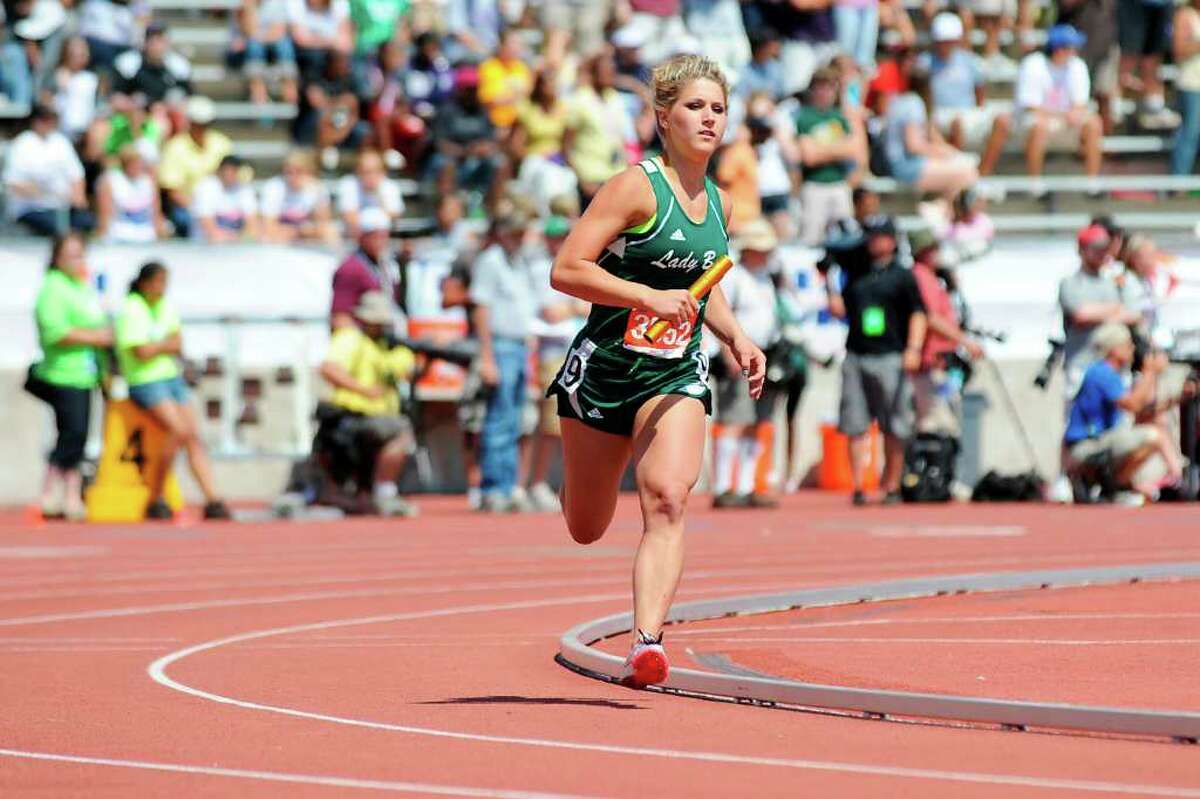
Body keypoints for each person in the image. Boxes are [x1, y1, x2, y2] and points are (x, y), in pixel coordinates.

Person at [548, 54, 766, 687]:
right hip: (605, 371)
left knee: (668, 498)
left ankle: (646, 642)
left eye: (718, 109)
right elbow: (566, 270)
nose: (708, 119)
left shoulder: (720, 203)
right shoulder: (634, 187)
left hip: (673, 374)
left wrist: (736, 335)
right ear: (663, 117)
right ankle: (580, 474)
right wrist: (644, 298)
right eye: (695, 107)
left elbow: (704, 287)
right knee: (586, 527)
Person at [114, 262, 232, 521]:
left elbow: (176, 343)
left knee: (193, 436)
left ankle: (212, 498)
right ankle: (156, 496)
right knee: (178, 430)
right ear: (144, 283)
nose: (161, 288)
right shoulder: (131, 308)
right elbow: (140, 352)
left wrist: (159, 345)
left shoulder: (165, 306)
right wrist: (164, 345)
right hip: (144, 381)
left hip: (170, 378)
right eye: (157, 283)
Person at [827, 215, 927, 506]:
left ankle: (891, 484)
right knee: (855, 421)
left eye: (879, 236)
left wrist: (914, 348)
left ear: (892, 241)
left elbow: (918, 313)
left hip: (890, 355)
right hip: (857, 354)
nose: (874, 242)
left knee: (894, 424)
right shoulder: (856, 271)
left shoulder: (903, 275)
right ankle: (860, 484)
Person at [30, 234, 111, 521]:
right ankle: (49, 492)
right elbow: (55, 332)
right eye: (72, 255)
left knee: (79, 436)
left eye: (81, 255)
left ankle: (72, 495)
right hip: (62, 374)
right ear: (57, 258)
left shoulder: (82, 287)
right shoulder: (53, 288)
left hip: (86, 374)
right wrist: (97, 337)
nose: (78, 261)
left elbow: (97, 318)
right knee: (72, 433)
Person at [1064, 322, 1190, 501]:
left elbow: (1143, 410)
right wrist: (1150, 372)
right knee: (1154, 436)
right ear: (1114, 349)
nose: (1132, 349)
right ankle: (1177, 480)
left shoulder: (1110, 374)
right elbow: (1133, 405)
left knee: (1153, 433)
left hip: (1100, 440)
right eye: (1127, 344)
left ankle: (1118, 484)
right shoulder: (1102, 373)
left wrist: (1177, 399)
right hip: (1086, 446)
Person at [319, 290, 418, 517]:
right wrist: (362, 390)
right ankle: (383, 492)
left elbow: (409, 369)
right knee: (402, 432)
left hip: (381, 417)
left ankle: (374, 493)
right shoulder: (350, 339)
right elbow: (328, 368)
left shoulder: (389, 345)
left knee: (399, 427)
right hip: (350, 415)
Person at [468, 207, 539, 512]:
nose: (523, 239)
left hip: (518, 346)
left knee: (514, 420)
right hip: (500, 345)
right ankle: (494, 487)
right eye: (518, 233)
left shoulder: (519, 262)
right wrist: (486, 357)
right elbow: (481, 308)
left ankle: (508, 486)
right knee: (499, 417)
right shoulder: (491, 262)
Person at [711, 218, 782, 508]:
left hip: (765, 353)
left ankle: (749, 484)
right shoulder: (734, 276)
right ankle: (724, 486)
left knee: (757, 422)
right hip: (739, 353)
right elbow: (719, 316)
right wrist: (728, 351)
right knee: (733, 420)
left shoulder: (765, 277)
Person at [527, 213, 589, 513]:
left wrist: (575, 307)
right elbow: (552, 312)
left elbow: (592, 306)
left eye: (564, 234)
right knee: (551, 423)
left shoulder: (583, 264)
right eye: (555, 235)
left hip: (581, 349)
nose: (560, 240)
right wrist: (578, 306)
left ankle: (567, 485)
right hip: (552, 352)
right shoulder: (540, 268)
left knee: (579, 422)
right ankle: (536, 482)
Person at [907, 226, 983, 437]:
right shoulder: (920, 278)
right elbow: (930, 317)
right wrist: (965, 341)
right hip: (930, 364)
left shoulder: (933, 278)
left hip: (942, 363)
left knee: (945, 423)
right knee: (935, 425)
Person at [919, 12, 1011, 176]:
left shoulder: (969, 61)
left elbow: (980, 90)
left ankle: (982, 173)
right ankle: (956, 173)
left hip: (968, 112)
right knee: (957, 123)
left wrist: (977, 110)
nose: (945, 45)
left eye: (949, 40)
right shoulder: (924, 63)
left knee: (1003, 120)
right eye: (942, 41)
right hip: (939, 114)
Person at [1015, 25, 1103, 187]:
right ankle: (1034, 184)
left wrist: (1074, 114)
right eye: (1071, 47)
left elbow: (1080, 103)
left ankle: (1092, 182)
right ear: (1058, 49)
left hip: (1064, 120)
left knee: (1093, 123)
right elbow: (1030, 106)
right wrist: (1063, 115)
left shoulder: (1077, 65)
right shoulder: (1033, 64)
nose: (1075, 51)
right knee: (1039, 126)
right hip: (1036, 120)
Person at [882, 67, 978, 197]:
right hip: (905, 168)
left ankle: (943, 207)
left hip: (900, 164)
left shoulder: (901, 101)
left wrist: (947, 152)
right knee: (968, 173)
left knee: (959, 167)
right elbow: (914, 146)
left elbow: (931, 137)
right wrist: (943, 153)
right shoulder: (914, 104)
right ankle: (942, 210)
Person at [795, 65, 863, 245]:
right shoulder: (805, 117)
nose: (825, 93)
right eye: (821, 87)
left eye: (830, 87)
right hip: (815, 185)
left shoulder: (839, 117)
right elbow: (809, 156)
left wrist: (822, 150)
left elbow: (854, 149)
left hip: (839, 183)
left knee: (847, 235)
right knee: (811, 237)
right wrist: (838, 149)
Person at [3, 103, 93, 236]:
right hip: (32, 208)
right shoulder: (21, 144)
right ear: (35, 121)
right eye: (45, 120)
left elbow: (76, 175)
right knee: (55, 226)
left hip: (63, 206)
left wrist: (77, 198)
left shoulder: (61, 142)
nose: (49, 124)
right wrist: (45, 194)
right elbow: (12, 182)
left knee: (86, 222)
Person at [157, 95, 232, 238]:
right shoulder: (175, 147)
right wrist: (201, 210)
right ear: (190, 122)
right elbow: (172, 190)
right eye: (199, 123)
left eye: (206, 123)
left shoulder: (222, 143)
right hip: (188, 208)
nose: (202, 128)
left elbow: (238, 176)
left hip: (220, 206)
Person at [330, 207, 399, 330]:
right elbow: (340, 318)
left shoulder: (386, 266)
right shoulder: (350, 269)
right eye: (375, 237)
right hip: (362, 340)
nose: (380, 242)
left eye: (384, 236)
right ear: (362, 237)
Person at [227, 0, 299, 106]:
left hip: (268, 48)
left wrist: (259, 37)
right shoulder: (242, 6)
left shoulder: (277, 4)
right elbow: (248, 31)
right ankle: (258, 91)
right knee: (254, 46)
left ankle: (289, 88)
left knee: (284, 45)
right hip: (248, 51)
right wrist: (249, 9)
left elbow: (278, 31)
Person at [261, 149, 337, 245]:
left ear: (308, 171)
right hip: (282, 238)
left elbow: (324, 224)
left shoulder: (316, 188)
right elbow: (269, 227)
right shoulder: (274, 187)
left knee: (331, 232)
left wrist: (317, 195)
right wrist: (300, 231)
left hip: (305, 237)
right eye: (289, 172)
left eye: (299, 171)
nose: (293, 176)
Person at [96, 143, 168, 243]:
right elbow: (105, 214)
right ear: (125, 163)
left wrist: (160, 235)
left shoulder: (148, 182)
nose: (137, 166)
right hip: (119, 236)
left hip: (146, 236)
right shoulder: (111, 181)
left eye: (139, 163)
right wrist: (103, 237)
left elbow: (156, 213)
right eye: (133, 163)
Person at [191, 155, 261, 243]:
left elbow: (253, 224)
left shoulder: (244, 189)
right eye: (228, 169)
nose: (230, 173)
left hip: (233, 246)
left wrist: (242, 237)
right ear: (220, 170)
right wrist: (236, 238)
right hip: (204, 247)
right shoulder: (206, 187)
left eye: (235, 169)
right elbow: (208, 228)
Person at [336, 149, 404, 237]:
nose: (371, 176)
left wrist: (378, 194)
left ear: (383, 172)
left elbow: (394, 216)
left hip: (384, 239)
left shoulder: (391, 187)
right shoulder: (348, 184)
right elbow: (349, 217)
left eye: (376, 171)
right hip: (355, 238)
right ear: (358, 171)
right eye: (366, 172)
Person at [1172, 0, 1200, 176]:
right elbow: (1179, 50)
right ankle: (1178, 181)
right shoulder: (1185, 15)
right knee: (1190, 133)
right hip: (1192, 84)